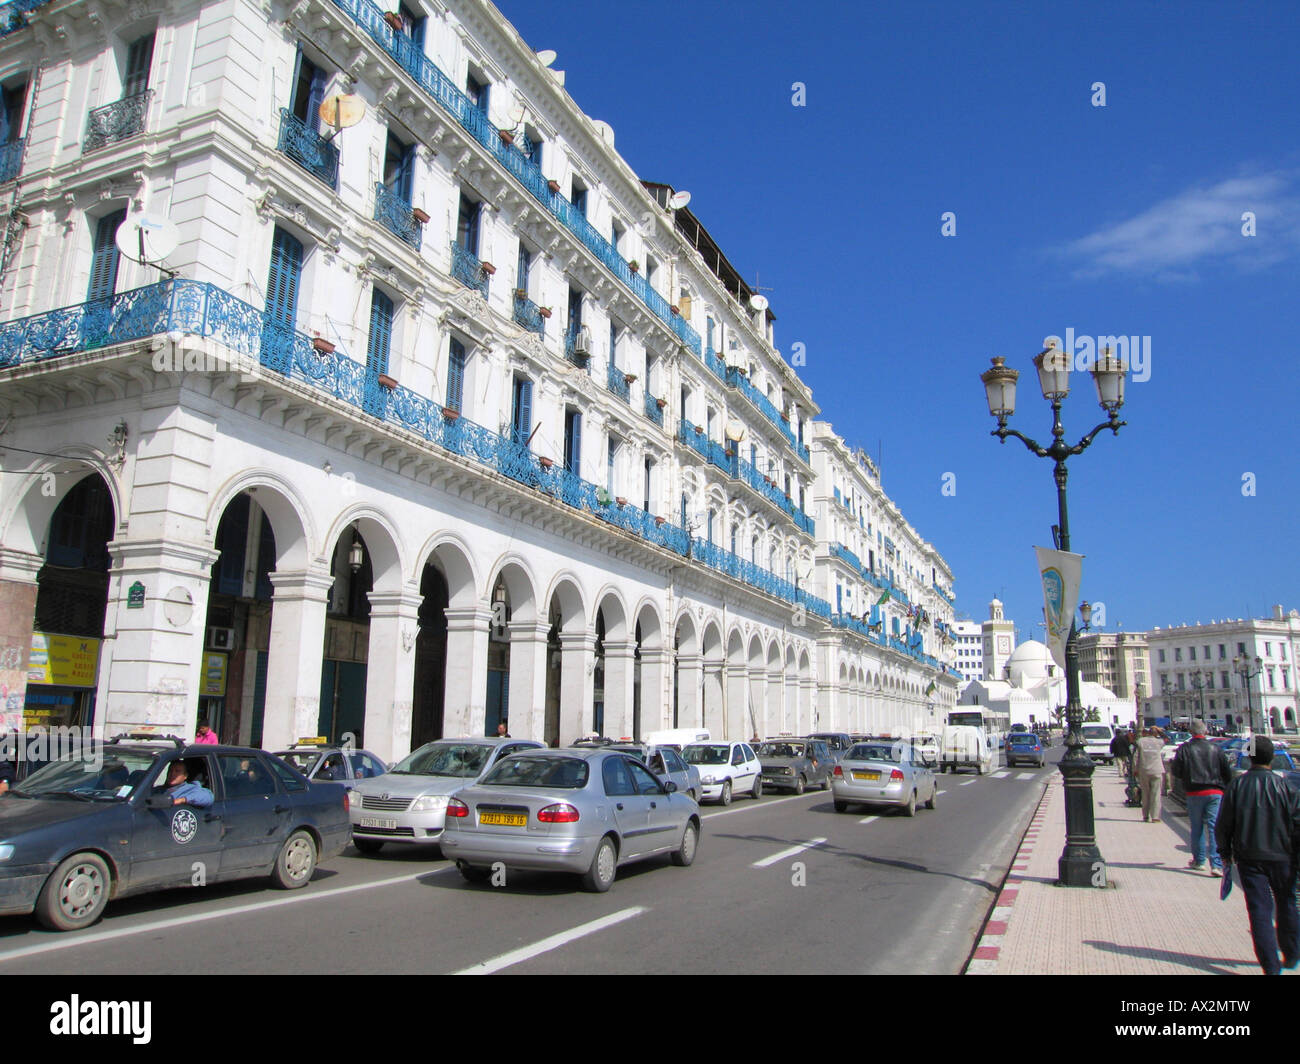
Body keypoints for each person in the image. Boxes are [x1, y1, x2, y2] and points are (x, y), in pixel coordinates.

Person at [1215, 736, 1300, 975]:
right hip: (1283, 855)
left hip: (1249, 857)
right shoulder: (1285, 787)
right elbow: (1297, 823)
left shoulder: (1237, 786)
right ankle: (1292, 954)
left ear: (1249, 757)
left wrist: (1225, 853)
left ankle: (1270, 966)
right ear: (1271, 757)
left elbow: (1223, 825)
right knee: (1287, 903)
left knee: (1259, 910)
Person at [1172, 719, 1233, 875]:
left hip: (1194, 792)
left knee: (1197, 828)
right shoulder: (1216, 748)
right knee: (1214, 828)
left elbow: (1176, 771)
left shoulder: (1184, 749)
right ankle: (1217, 865)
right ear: (1205, 731)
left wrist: (1187, 776)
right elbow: (1226, 772)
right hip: (1215, 793)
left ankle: (1199, 861)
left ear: (1191, 732)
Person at [1135, 727, 1166, 822]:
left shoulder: (1141, 741)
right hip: (1156, 770)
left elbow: (1136, 755)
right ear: (1156, 734)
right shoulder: (1159, 742)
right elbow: (1166, 739)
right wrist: (1160, 731)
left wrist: (1135, 769)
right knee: (1156, 794)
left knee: (1145, 794)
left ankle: (1145, 815)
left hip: (1144, 770)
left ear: (1148, 733)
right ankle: (1155, 817)